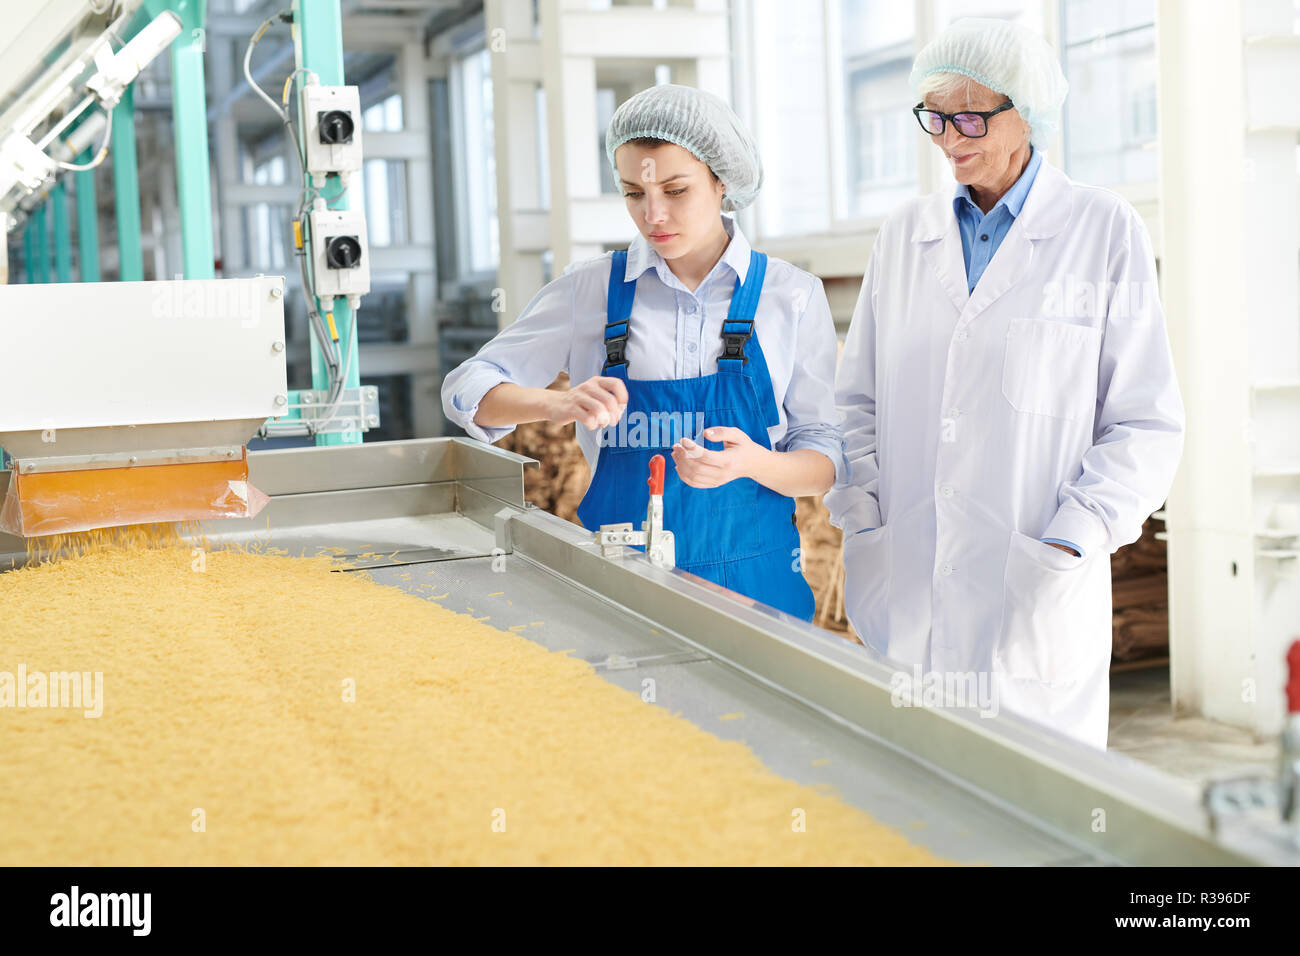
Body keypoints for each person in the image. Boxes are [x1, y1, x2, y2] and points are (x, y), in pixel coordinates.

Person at [826, 18, 1185, 748]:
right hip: (911, 587)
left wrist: (1072, 542)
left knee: (1032, 816)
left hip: (1035, 593)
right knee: (916, 811)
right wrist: (862, 513)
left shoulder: (1102, 228)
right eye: (935, 116)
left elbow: (1145, 422)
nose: (951, 139)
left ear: (1028, 110)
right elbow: (856, 400)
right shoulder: (904, 234)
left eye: (970, 117)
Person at [442, 84, 846, 620]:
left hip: (760, 585)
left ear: (721, 180)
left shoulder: (790, 295)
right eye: (634, 193)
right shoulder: (589, 290)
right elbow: (465, 389)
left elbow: (825, 458)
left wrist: (756, 463)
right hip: (620, 585)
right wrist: (555, 404)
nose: (653, 215)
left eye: (676, 190)